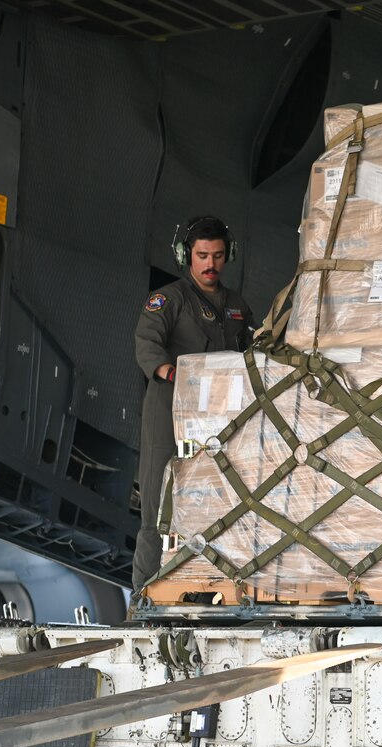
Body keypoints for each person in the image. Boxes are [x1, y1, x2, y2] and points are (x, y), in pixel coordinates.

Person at [132, 216, 253, 593]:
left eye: (217, 256)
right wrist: (171, 374)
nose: (210, 264)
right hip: (169, 413)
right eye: (202, 255)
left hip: (221, 420)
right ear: (187, 255)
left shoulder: (236, 306)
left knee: (220, 507)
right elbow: (147, 341)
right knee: (157, 507)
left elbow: (253, 349)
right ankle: (143, 599)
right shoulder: (170, 299)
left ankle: (204, 594)